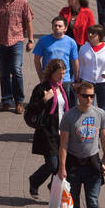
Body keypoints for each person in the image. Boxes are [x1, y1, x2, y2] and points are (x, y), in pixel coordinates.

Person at [58, 82, 105, 208]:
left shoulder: (100, 114)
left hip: (92, 163)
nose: (89, 99)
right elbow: (64, 143)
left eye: (91, 96)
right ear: (78, 96)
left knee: (93, 201)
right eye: (85, 96)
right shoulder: (69, 116)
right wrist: (62, 167)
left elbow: (104, 140)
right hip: (74, 163)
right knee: (74, 200)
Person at [27, 59, 70, 197]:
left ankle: (54, 188)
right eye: (59, 74)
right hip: (47, 132)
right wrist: (45, 100)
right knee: (53, 165)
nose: (62, 77)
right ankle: (34, 180)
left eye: (63, 74)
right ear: (51, 73)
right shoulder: (42, 89)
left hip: (62, 132)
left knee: (62, 163)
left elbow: (68, 108)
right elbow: (31, 109)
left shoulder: (63, 88)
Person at [77, 23, 105, 119]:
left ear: (99, 36)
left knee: (103, 107)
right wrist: (77, 79)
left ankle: (104, 129)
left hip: (103, 83)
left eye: (93, 34)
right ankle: (89, 128)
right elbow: (80, 65)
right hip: (87, 82)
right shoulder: (83, 48)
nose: (90, 35)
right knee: (88, 106)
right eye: (89, 33)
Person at [33, 16, 79, 94]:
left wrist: (76, 79)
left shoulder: (71, 42)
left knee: (64, 104)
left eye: (60, 26)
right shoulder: (43, 40)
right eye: (55, 25)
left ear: (65, 28)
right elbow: (36, 59)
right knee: (49, 104)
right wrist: (41, 77)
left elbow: (75, 61)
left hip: (65, 80)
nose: (57, 27)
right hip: (48, 79)